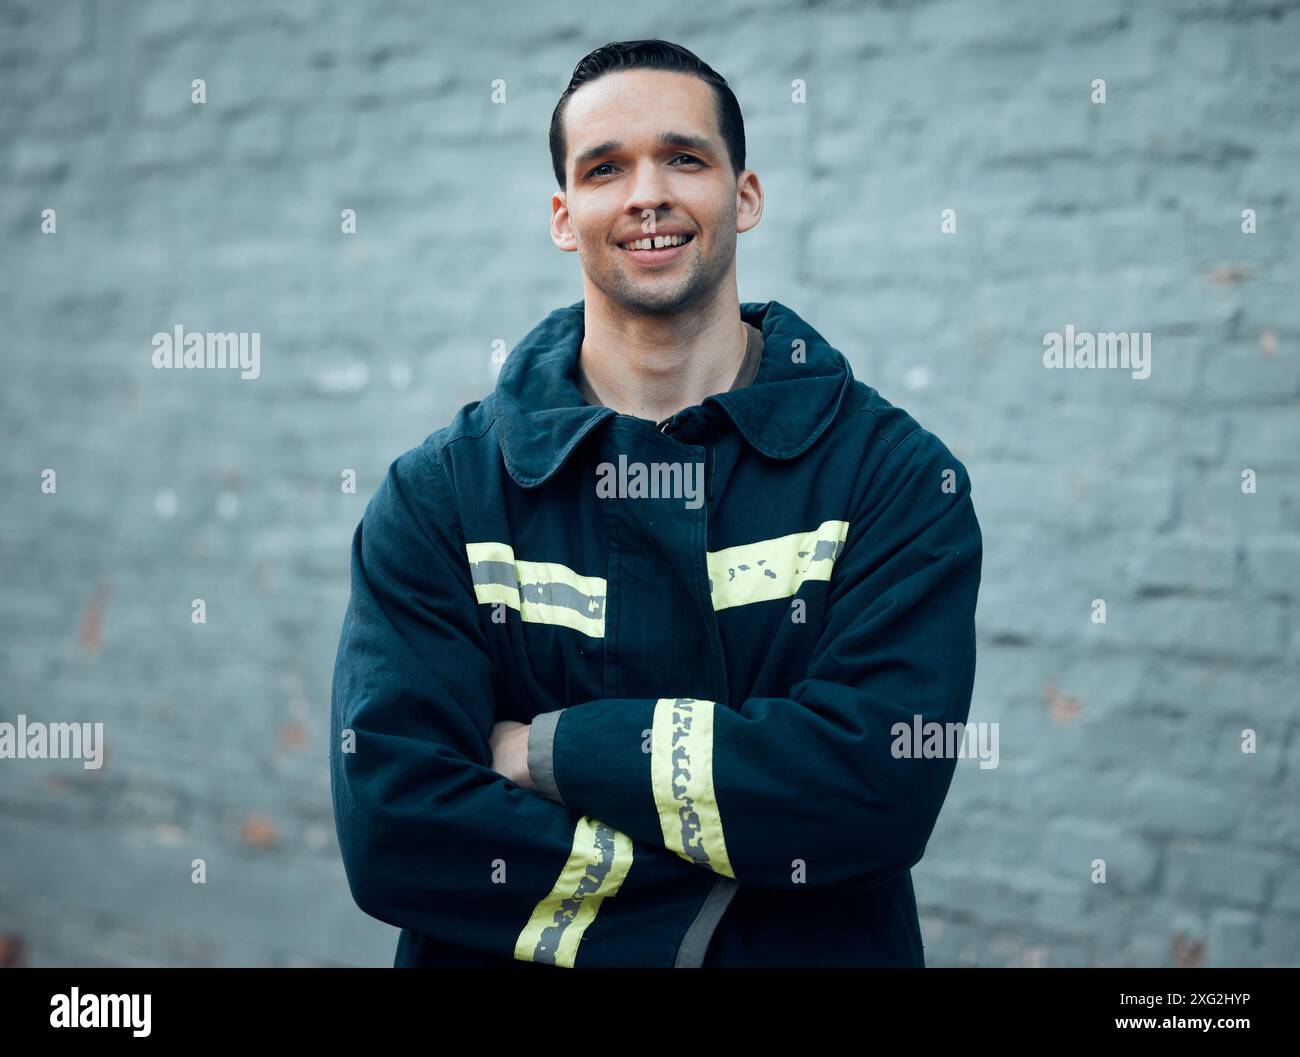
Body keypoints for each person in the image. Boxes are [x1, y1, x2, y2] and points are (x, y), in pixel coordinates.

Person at [330, 38, 982, 968]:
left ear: (744, 195)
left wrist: (550, 754)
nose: (647, 194)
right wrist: (731, 898)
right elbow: (394, 827)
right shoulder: (441, 496)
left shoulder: (892, 478)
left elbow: (874, 789)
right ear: (564, 217)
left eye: (683, 157)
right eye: (605, 169)